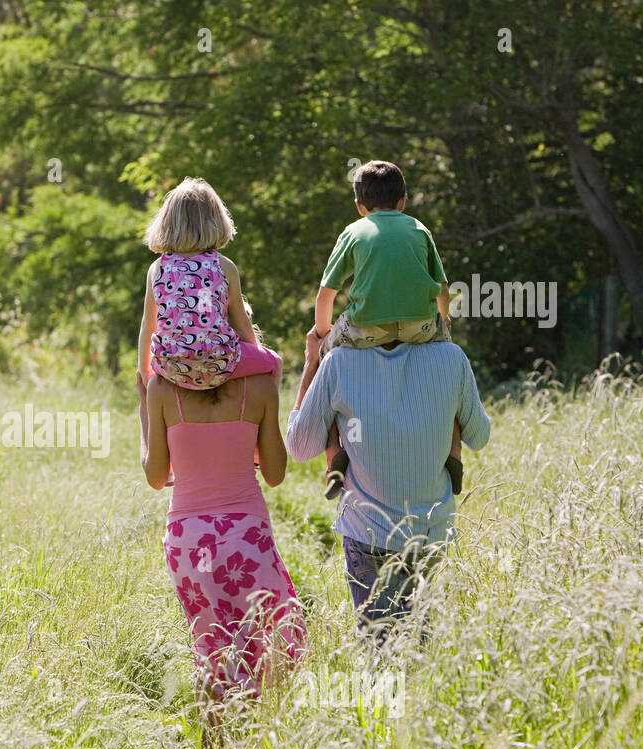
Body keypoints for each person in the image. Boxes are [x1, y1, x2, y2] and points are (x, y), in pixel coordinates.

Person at [285, 329, 491, 646]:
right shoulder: (452, 358)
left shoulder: (338, 361)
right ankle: (419, 694)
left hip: (367, 528)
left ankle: (334, 459)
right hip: (430, 528)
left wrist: (313, 363)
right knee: (417, 643)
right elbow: (479, 436)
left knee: (379, 651)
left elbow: (298, 447)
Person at [139, 366, 308, 736]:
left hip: (188, 540)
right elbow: (275, 473)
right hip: (245, 537)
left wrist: (145, 414)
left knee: (211, 649)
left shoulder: (162, 387)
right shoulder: (260, 384)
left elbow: (156, 476)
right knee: (267, 638)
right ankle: (258, 743)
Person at [312, 160, 462, 499]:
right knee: (454, 376)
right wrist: (444, 321)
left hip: (366, 328)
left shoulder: (353, 232)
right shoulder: (419, 229)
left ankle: (335, 453)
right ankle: (454, 453)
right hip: (419, 325)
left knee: (327, 372)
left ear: (359, 206)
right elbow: (441, 286)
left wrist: (323, 336)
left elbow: (327, 294)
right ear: (403, 201)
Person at [137, 177, 281, 395]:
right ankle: (263, 426)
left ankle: (148, 429)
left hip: (169, 366)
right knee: (275, 363)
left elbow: (149, 326)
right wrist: (256, 351)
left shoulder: (157, 268)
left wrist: (145, 373)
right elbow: (241, 323)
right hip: (219, 362)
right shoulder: (223, 266)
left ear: (167, 222)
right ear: (215, 220)